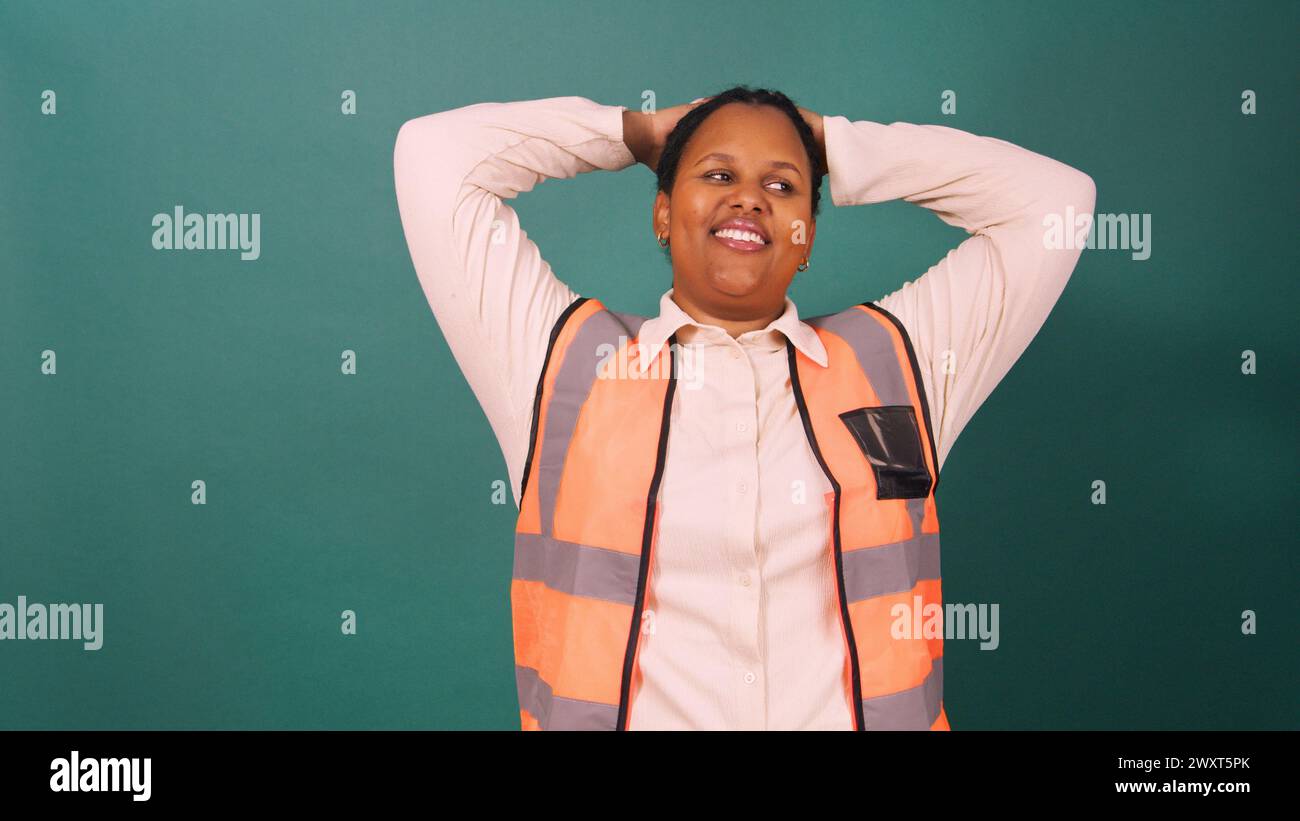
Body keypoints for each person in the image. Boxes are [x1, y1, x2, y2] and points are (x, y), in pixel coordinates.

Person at [392, 86, 1095, 730]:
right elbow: (433, 156)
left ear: (808, 235)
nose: (751, 199)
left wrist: (834, 145)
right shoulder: (561, 361)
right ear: (663, 212)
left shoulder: (900, 360)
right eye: (718, 174)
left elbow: (1057, 204)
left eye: (783, 185)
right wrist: (634, 134)